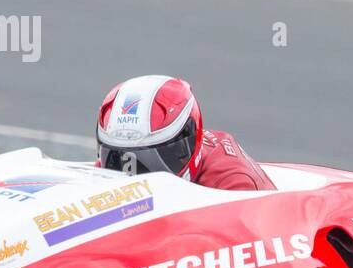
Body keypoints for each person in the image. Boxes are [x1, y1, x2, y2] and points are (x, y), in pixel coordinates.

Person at [96, 74, 276, 191]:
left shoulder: (234, 186)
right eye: (118, 157)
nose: (131, 175)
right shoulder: (109, 165)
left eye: (147, 161)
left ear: (185, 144)